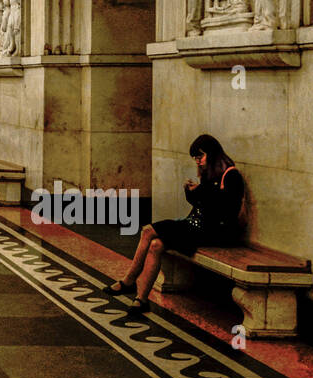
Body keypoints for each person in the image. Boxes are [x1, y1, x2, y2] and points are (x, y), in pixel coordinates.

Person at [103, 134, 245, 315]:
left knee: (148, 231)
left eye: (200, 156)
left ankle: (129, 280)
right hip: (197, 227)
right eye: (195, 158)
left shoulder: (231, 175)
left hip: (213, 232)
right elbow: (201, 203)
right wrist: (192, 190)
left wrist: (200, 190)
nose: (198, 161)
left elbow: (225, 208)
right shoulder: (211, 174)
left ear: (212, 153)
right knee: (156, 245)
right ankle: (141, 299)